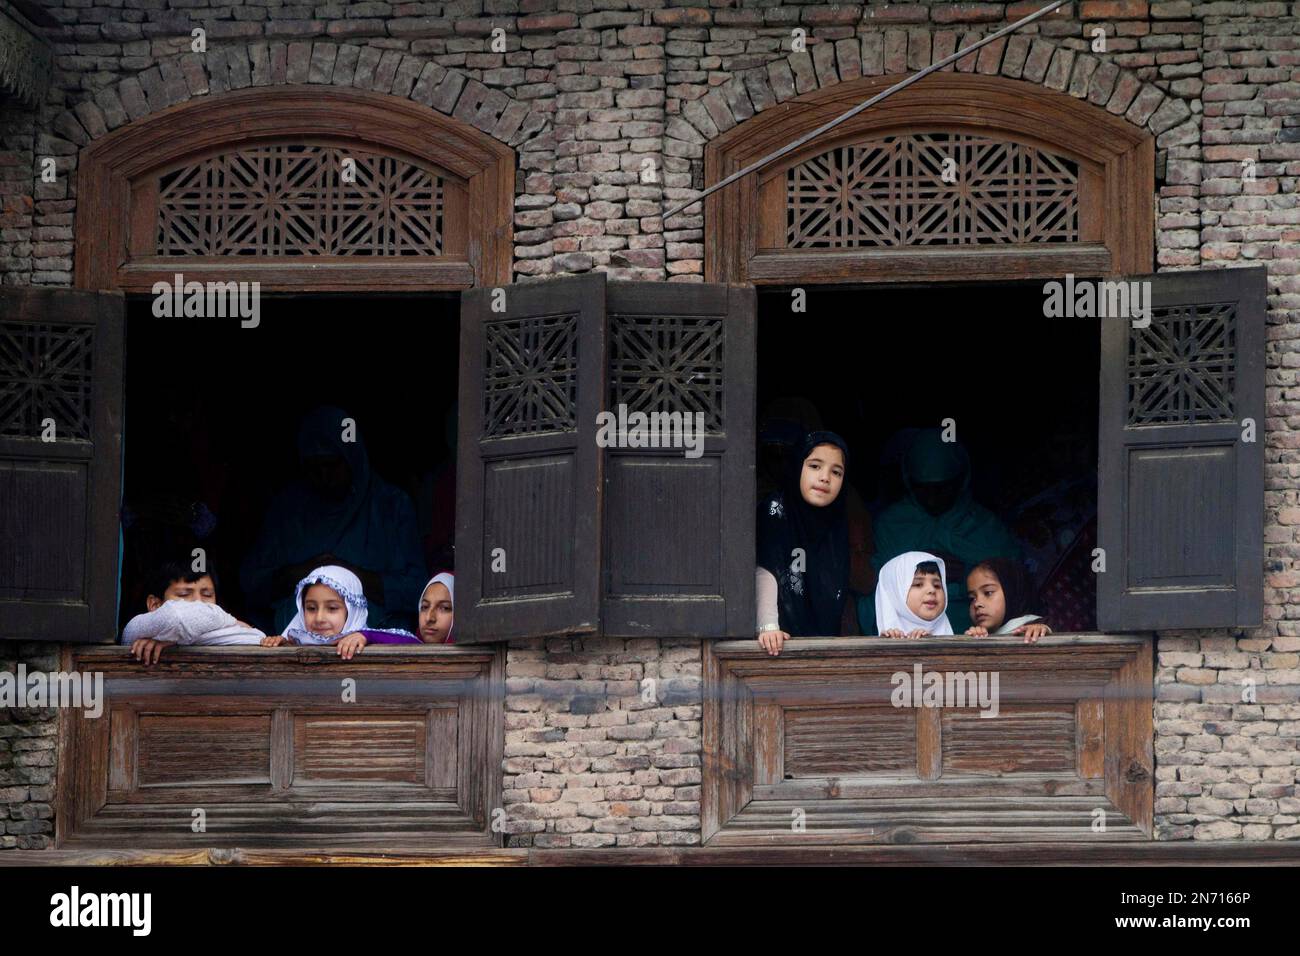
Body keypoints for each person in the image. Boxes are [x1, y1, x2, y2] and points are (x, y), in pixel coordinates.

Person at [240, 406, 428, 634]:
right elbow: (251, 584)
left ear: (353, 459)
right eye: (313, 467)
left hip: (376, 646)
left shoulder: (390, 506)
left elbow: (419, 591)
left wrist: (346, 575)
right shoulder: (288, 509)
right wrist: (306, 573)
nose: (323, 476)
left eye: (332, 464)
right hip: (293, 647)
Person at [867, 429, 1022, 633]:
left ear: (960, 480)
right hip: (904, 631)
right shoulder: (891, 524)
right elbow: (875, 582)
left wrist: (968, 574)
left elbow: (1015, 581)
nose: (932, 499)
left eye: (942, 488)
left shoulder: (986, 526)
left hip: (975, 629)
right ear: (909, 480)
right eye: (923, 488)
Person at [755, 431, 851, 657]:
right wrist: (768, 626)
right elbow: (767, 566)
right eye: (815, 466)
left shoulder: (837, 518)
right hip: (777, 643)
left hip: (826, 647)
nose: (825, 477)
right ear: (797, 466)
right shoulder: (775, 509)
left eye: (836, 472)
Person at [121, 560, 265, 665]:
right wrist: (231, 621)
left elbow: (256, 638)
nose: (199, 603)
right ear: (155, 604)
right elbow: (175, 617)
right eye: (184, 595)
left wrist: (177, 639)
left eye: (207, 595)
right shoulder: (138, 628)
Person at [259, 565, 417, 659]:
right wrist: (281, 647)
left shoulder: (364, 640)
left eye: (332, 608)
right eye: (311, 608)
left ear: (352, 610)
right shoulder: (296, 640)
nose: (319, 618)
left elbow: (415, 645)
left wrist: (366, 636)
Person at [331, 572, 456, 657]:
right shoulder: (414, 646)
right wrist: (366, 635)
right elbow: (405, 641)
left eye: (444, 608)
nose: (430, 618)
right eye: (424, 607)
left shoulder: (472, 663)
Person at [965, 557, 1052, 643]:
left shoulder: (1039, 626)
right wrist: (973, 642)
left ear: (1011, 592)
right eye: (972, 598)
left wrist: (1043, 633)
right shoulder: (980, 635)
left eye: (988, 593)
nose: (977, 604)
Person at [874, 551, 953, 639]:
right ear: (895, 595)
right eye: (918, 584)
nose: (932, 590)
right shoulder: (888, 637)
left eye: (937, 585)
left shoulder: (964, 637)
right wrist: (890, 644)